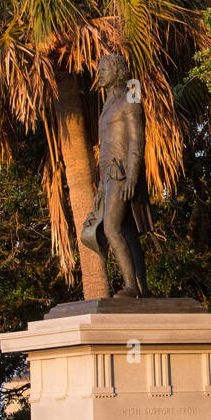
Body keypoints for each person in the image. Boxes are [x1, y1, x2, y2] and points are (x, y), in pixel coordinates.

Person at [80, 53, 152, 297]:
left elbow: (136, 140)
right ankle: (142, 289)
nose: (99, 73)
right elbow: (107, 146)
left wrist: (132, 176)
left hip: (123, 176)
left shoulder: (129, 99)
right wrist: (101, 187)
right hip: (109, 177)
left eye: (104, 69)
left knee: (111, 229)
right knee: (127, 232)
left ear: (118, 71)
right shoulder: (108, 104)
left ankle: (131, 287)